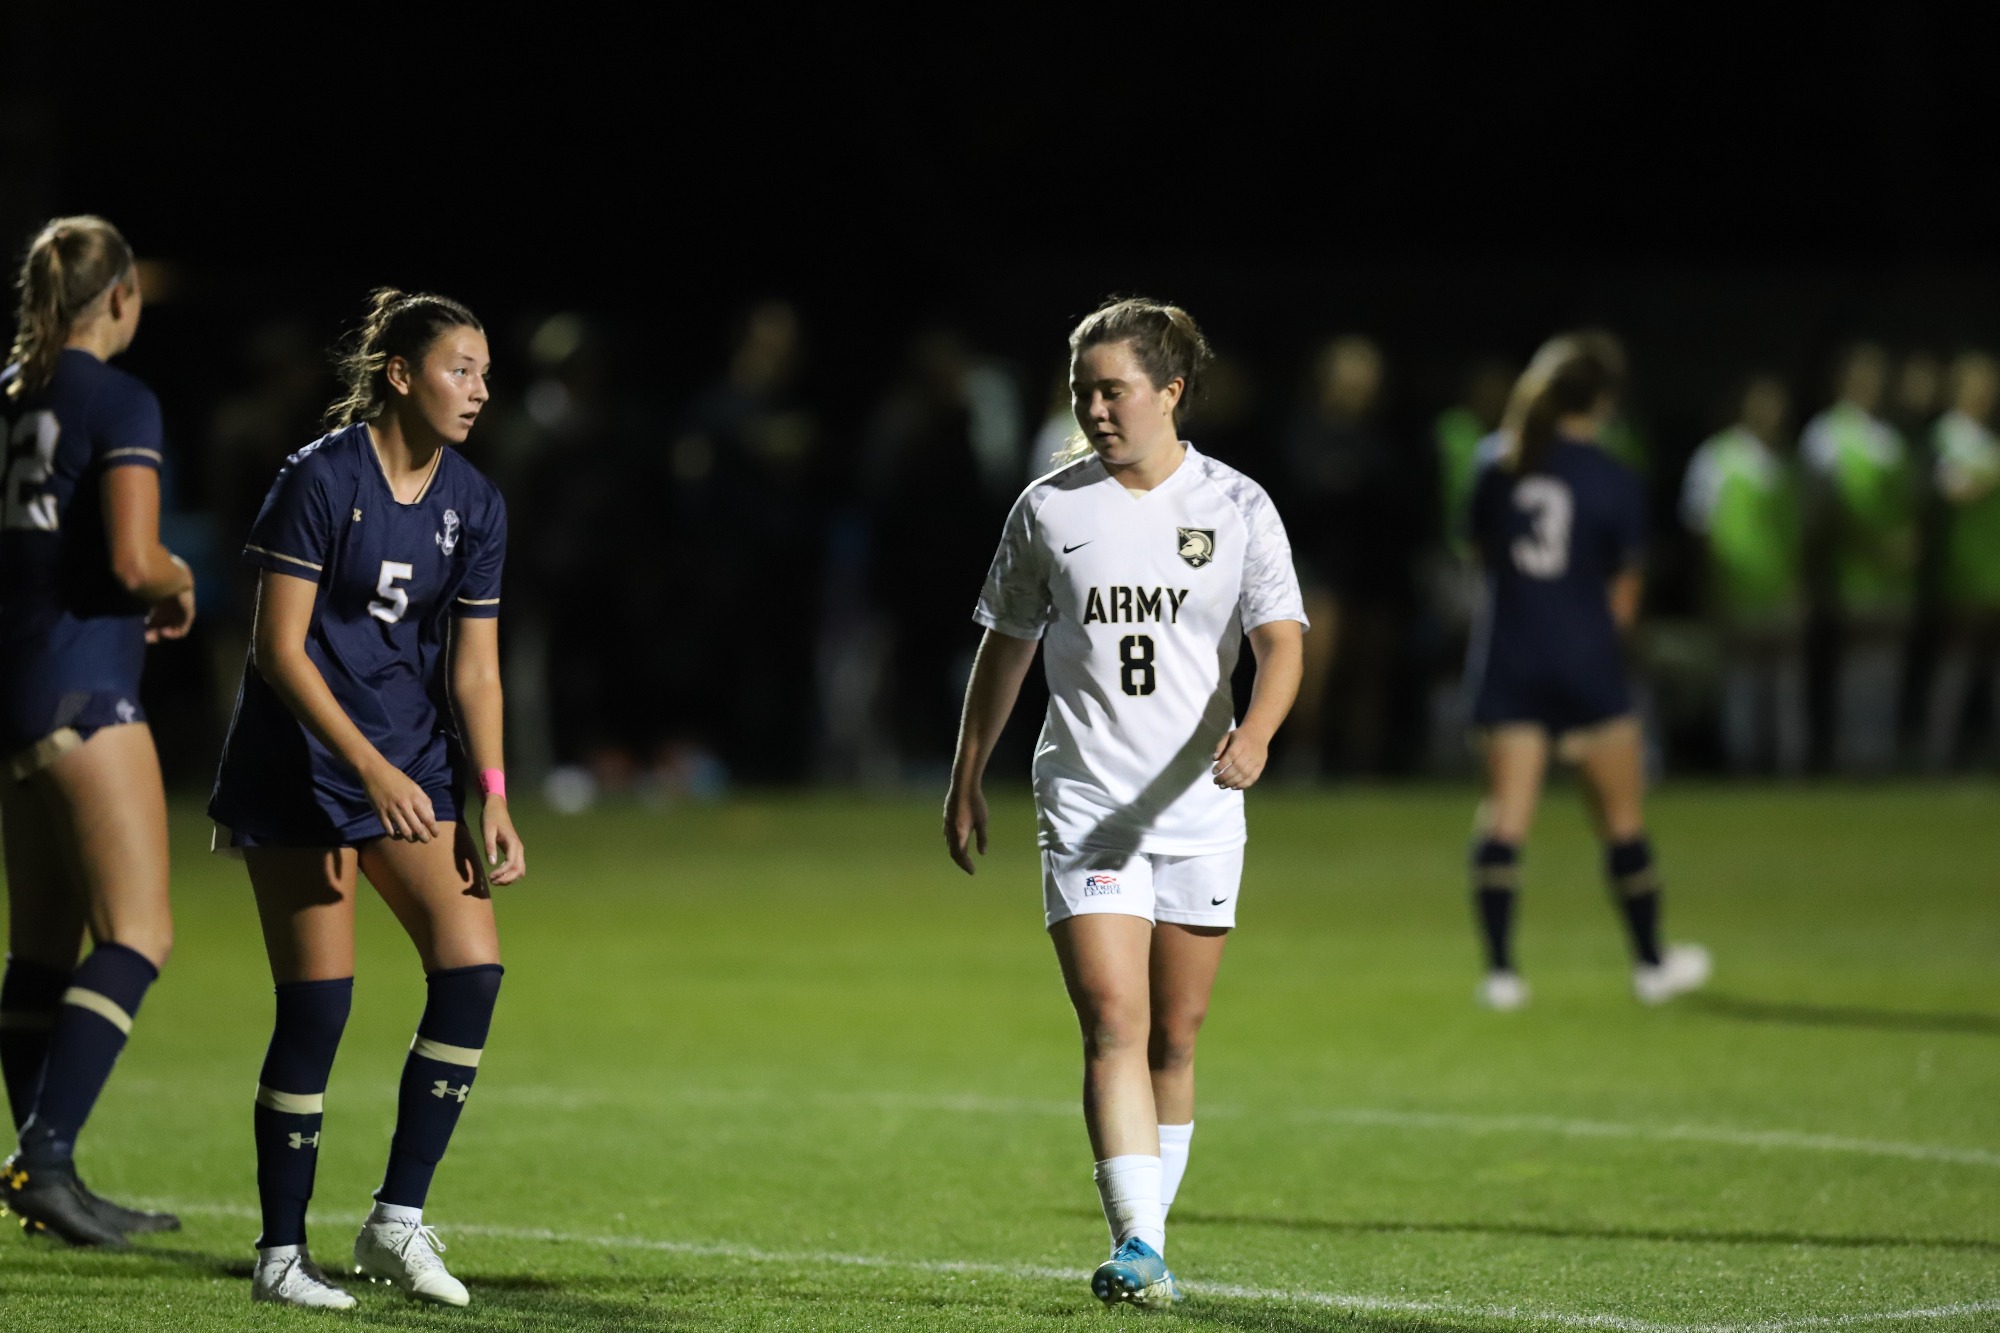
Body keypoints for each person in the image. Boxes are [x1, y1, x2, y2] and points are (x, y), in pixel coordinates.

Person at [943, 298, 1305, 1309]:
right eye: (1080, 392)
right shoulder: (1048, 510)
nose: (1094, 409)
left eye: (1113, 390)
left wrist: (1258, 734)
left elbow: (1281, 640)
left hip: (1198, 805)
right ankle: (1137, 1244)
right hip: (1089, 800)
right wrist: (966, 769)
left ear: (1170, 392)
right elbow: (1004, 645)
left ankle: (1151, 1241)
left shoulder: (1235, 506)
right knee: (1112, 1016)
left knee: (1174, 1036)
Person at [207, 290, 524, 1309]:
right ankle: (280, 1255)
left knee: (472, 969)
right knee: (319, 1006)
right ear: (399, 372)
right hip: (297, 767)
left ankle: (395, 1220)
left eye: (483, 370)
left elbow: (476, 668)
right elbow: (276, 647)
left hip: (412, 764)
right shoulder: (318, 478)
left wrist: (490, 791)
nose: (478, 388)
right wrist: (370, 770)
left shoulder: (474, 503)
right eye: (459, 368)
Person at [0, 216, 193, 1246]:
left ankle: (44, 1173)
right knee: (137, 931)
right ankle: (49, 1158)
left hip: (14, 690)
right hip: (84, 686)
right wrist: (181, 574)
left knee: (39, 949)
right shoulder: (118, 398)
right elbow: (130, 560)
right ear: (118, 296)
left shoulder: (9, 393)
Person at [1462, 333, 1708, 1012]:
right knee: (1622, 820)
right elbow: (1622, 599)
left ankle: (1503, 973)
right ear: (1604, 401)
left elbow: (1483, 560)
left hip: (1511, 658)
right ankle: (1652, 963)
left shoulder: (1497, 464)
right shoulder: (1615, 476)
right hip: (1586, 662)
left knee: (1505, 820)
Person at [1680, 375, 1807, 775]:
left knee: (1785, 680)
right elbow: (1698, 525)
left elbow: (1802, 527)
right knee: (1742, 679)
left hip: (1782, 584)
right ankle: (1744, 762)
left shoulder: (1788, 461)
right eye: (1763, 403)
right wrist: (1709, 579)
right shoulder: (1716, 456)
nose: (1771, 413)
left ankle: (1789, 764)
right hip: (1737, 584)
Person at [1801, 344, 1917, 774]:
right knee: (1854, 665)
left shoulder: (1889, 436)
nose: (1873, 388)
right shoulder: (1826, 434)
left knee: (1886, 667)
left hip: (1894, 574)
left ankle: (1880, 751)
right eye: (1863, 379)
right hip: (1851, 569)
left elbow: (1907, 503)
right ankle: (1850, 752)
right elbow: (1819, 511)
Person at [1923, 351, 2000, 769]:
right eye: (1977, 385)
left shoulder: (1988, 439)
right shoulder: (1945, 435)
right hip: (1963, 567)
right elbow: (1950, 491)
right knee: (1957, 660)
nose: (1986, 394)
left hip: (1995, 565)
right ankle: (1939, 752)